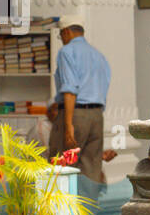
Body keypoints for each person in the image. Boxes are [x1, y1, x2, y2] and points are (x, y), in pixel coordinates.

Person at [46, 16, 112, 184]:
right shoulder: (99, 56)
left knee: (62, 167)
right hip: (97, 116)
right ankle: (88, 209)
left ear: (67, 31)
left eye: (61, 35)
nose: (62, 40)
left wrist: (69, 126)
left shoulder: (67, 52)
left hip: (75, 114)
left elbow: (70, 90)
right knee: (91, 168)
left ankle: (62, 210)